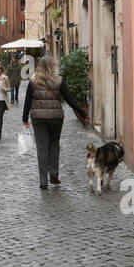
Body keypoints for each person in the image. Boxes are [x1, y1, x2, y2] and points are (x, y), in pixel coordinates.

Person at [21, 54, 89, 190]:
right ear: (52, 66)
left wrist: (24, 119)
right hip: (56, 118)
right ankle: (54, 174)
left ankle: (43, 181)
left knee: (41, 147)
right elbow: (70, 99)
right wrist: (83, 113)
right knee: (54, 145)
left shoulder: (33, 82)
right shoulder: (59, 81)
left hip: (38, 118)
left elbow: (27, 101)